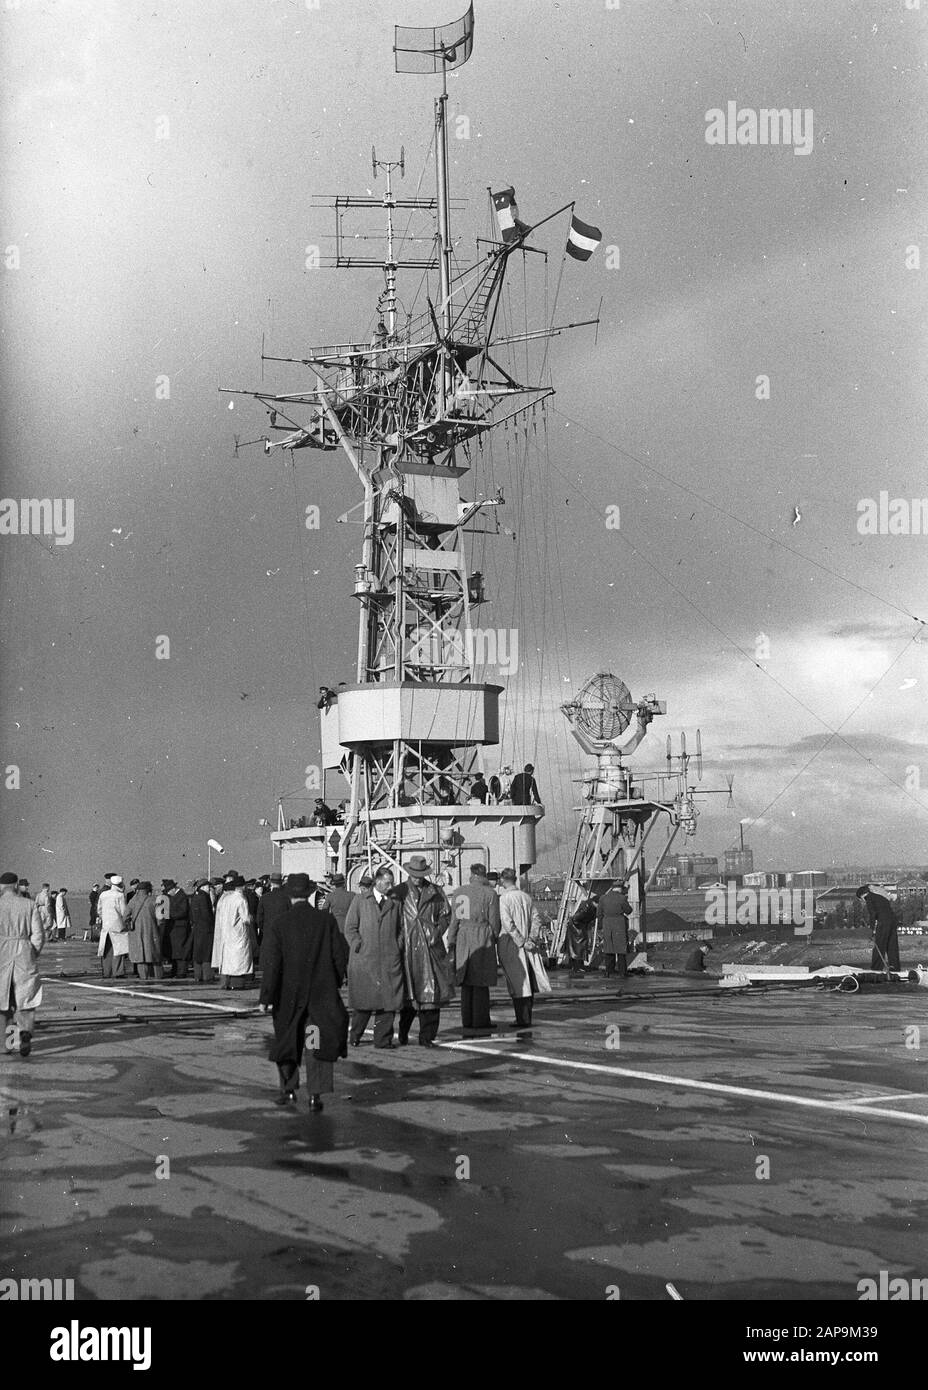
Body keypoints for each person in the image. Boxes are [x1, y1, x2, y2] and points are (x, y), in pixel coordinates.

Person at [259, 872, 349, 1111]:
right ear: (310, 894)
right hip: (319, 996)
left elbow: (272, 964)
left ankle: (288, 1090)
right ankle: (314, 1094)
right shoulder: (325, 921)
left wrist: (266, 996)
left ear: (289, 896)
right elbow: (340, 955)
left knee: (287, 1040)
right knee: (314, 1042)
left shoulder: (280, 924)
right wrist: (334, 982)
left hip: (288, 997)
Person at [394, 855, 453, 1047]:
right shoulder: (399, 892)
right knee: (408, 997)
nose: (417, 878)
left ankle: (427, 1037)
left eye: (420, 874)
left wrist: (437, 932)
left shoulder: (436, 891)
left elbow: (446, 915)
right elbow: (392, 918)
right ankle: (403, 1033)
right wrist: (400, 938)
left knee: (432, 995)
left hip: (431, 947)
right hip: (408, 948)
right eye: (414, 874)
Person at [345, 865, 404, 1048]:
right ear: (377, 882)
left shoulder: (395, 902)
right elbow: (350, 928)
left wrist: (397, 945)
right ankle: (355, 1035)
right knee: (363, 1004)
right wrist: (358, 945)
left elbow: (401, 928)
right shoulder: (360, 900)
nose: (390, 886)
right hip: (365, 959)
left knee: (388, 1003)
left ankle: (383, 1040)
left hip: (388, 959)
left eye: (392, 883)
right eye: (387, 883)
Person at [446, 864, 501, 1035]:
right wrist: (494, 936)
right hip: (481, 935)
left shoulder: (459, 892)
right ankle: (481, 1020)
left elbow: (454, 920)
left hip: (463, 935)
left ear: (471, 874)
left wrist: (452, 940)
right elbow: (494, 922)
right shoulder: (490, 893)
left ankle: (467, 1020)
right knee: (480, 981)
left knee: (466, 980)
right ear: (484, 875)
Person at [0, 871, 45, 1056]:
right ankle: (24, 1033)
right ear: (17, 886)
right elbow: (39, 935)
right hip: (24, 951)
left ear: (1, 887)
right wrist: (32, 952)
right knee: (25, 998)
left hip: (2, 952)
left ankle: (7, 1045)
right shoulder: (29, 904)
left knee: (3, 1002)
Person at [497, 867, 545, 1029]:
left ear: (503, 880)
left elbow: (507, 923)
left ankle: (522, 1019)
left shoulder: (504, 899)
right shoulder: (526, 897)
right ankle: (526, 1017)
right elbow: (537, 919)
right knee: (528, 982)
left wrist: (520, 941)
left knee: (518, 983)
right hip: (528, 945)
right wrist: (531, 938)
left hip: (513, 946)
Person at [212, 875, 256, 989]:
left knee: (229, 959)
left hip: (227, 933)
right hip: (239, 933)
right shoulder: (241, 899)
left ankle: (228, 983)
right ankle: (237, 984)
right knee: (239, 960)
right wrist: (251, 918)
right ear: (242, 887)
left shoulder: (226, 899)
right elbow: (245, 918)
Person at [856, 884, 901, 972]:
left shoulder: (869, 898)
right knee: (892, 946)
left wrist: (872, 930)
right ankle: (895, 968)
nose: (863, 901)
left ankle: (876, 968)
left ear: (862, 895)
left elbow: (873, 914)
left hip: (883, 923)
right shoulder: (881, 897)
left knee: (879, 945)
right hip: (893, 922)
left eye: (861, 899)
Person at [127, 882, 162, 980]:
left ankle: (144, 977)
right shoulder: (155, 900)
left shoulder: (132, 901)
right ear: (149, 890)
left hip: (136, 933)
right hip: (153, 931)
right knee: (155, 955)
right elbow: (160, 919)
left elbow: (125, 916)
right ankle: (158, 977)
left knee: (141, 957)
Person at [97, 875, 129, 978]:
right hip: (117, 926)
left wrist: (105, 919)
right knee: (119, 950)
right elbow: (123, 912)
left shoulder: (103, 895)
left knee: (106, 950)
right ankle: (118, 972)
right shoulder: (120, 896)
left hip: (106, 926)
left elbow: (99, 910)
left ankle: (107, 972)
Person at [598, 881, 632, 978]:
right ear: (620, 888)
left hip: (607, 924)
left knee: (608, 949)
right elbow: (628, 911)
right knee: (621, 950)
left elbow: (599, 913)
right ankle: (622, 973)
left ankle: (608, 972)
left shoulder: (603, 898)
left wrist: (602, 926)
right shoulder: (622, 898)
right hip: (619, 924)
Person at [189, 880, 216, 982]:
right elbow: (206, 914)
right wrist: (211, 924)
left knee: (198, 953)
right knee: (206, 954)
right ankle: (207, 976)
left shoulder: (195, 897)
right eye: (208, 887)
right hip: (206, 929)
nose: (209, 889)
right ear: (203, 887)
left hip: (197, 929)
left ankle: (197, 975)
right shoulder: (204, 897)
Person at [567, 891, 598, 975]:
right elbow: (576, 918)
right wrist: (582, 926)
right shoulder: (587, 908)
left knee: (577, 949)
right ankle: (578, 967)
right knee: (579, 948)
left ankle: (577, 966)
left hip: (577, 928)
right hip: (578, 929)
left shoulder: (588, 906)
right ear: (595, 903)